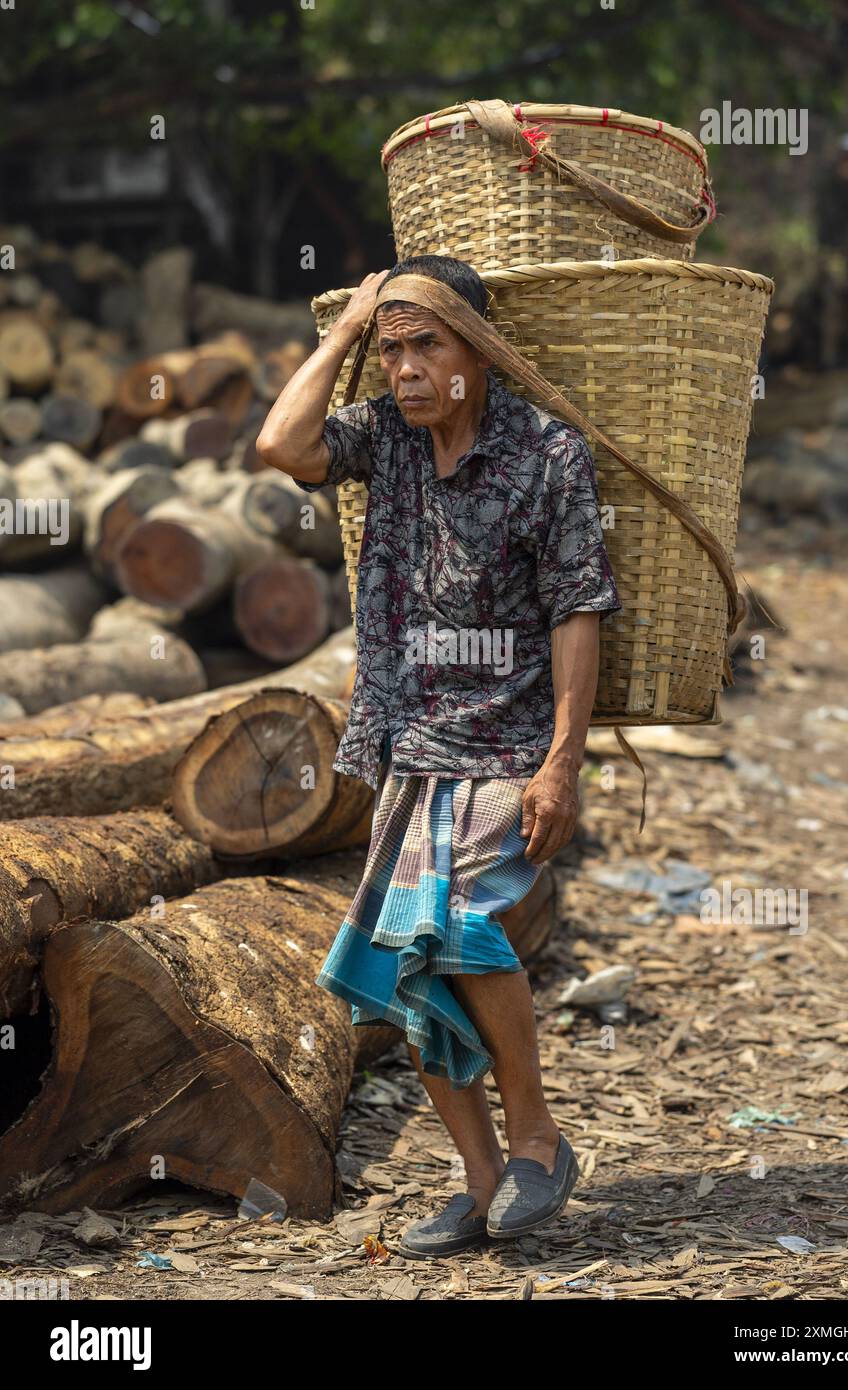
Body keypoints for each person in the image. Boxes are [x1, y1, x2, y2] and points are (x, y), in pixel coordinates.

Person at [256, 254, 622, 1257]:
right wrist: (344, 330)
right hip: (408, 739)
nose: (405, 369)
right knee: (401, 961)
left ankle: (540, 1137)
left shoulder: (545, 453)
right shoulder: (387, 439)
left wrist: (559, 765)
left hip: (506, 744)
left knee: (455, 924)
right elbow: (279, 442)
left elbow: (578, 607)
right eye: (393, 350)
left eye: (427, 346)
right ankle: (479, 1178)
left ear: (478, 351)